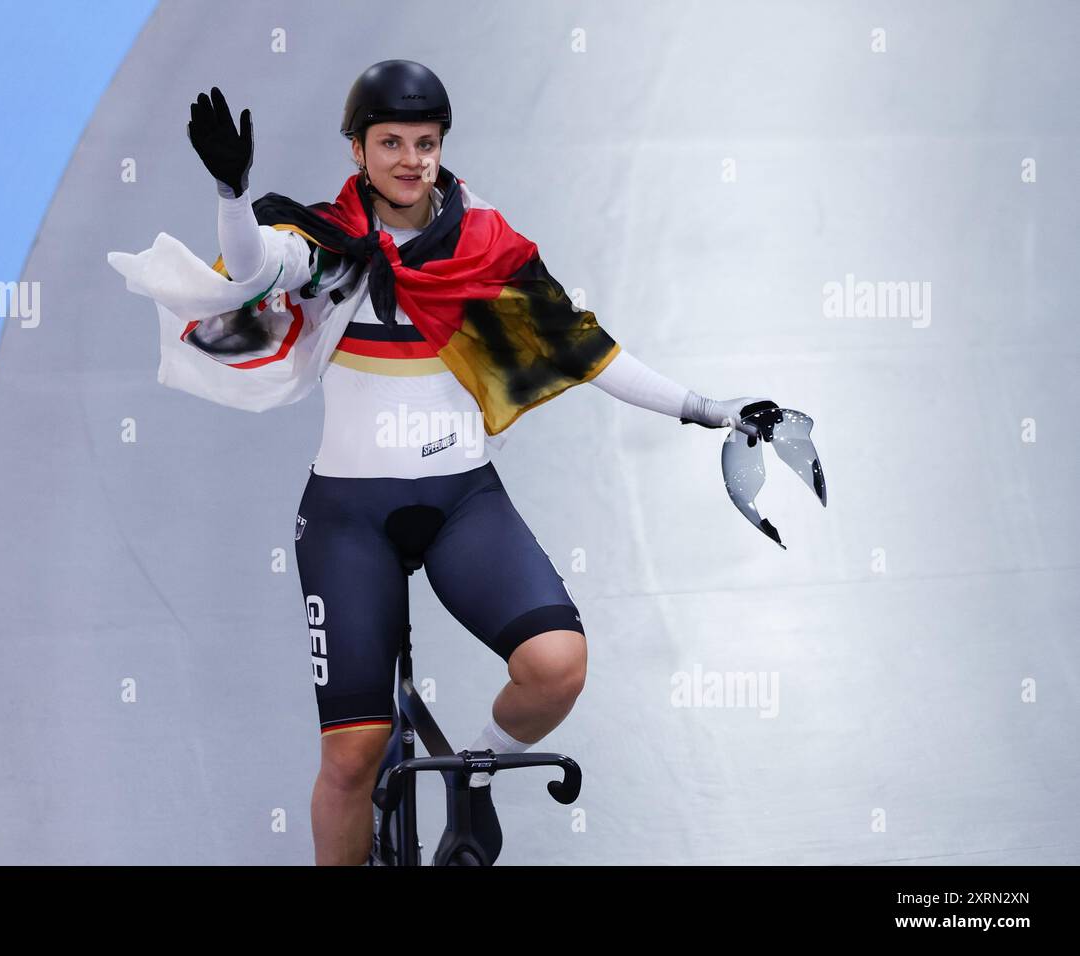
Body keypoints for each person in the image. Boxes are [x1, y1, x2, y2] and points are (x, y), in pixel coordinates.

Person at [135, 60, 770, 865]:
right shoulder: (327, 247)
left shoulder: (482, 245)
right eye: (390, 142)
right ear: (357, 149)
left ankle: (470, 780)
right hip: (348, 517)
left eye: (425, 143)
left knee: (556, 665)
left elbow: (586, 348)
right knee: (352, 758)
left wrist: (709, 409)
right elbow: (255, 270)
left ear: (442, 148)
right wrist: (232, 195)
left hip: (462, 502)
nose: (409, 159)